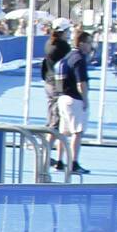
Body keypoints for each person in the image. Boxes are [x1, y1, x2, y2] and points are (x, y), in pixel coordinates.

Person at [52, 31, 92, 175]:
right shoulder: (79, 59)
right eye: (89, 43)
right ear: (81, 43)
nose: (91, 46)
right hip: (74, 98)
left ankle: (59, 161)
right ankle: (74, 162)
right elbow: (81, 82)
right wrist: (85, 99)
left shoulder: (66, 57)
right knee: (77, 132)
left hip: (62, 97)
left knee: (63, 132)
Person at [40, 20, 73, 169]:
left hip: (48, 82)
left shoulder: (49, 43)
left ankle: (47, 154)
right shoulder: (63, 47)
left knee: (53, 119)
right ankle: (45, 154)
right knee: (55, 121)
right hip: (56, 84)